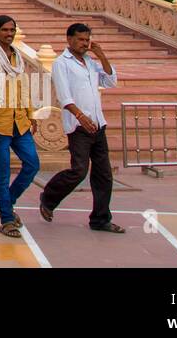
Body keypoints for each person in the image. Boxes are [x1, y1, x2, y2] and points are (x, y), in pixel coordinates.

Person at [39, 24, 124, 233]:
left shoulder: (90, 61)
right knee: (79, 170)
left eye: (87, 40)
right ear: (69, 40)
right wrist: (80, 116)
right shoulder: (61, 64)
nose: (85, 44)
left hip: (98, 124)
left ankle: (100, 219)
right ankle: (49, 197)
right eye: (80, 40)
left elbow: (111, 81)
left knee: (104, 174)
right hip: (78, 126)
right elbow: (64, 96)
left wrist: (101, 54)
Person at [0, 14, 40, 239]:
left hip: (19, 122)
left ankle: (7, 203)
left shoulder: (18, 57)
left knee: (32, 164)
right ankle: (6, 219)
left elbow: (23, 87)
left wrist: (31, 115)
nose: (9, 34)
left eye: (12, 30)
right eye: (5, 30)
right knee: (2, 173)